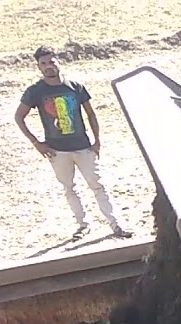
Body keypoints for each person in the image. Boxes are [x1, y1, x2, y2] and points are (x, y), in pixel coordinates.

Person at [14, 46, 130, 239]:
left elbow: (91, 114)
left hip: (83, 146)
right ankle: (82, 225)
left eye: (51, 62)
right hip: (57, 150)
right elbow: (19, 117)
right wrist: (36, 143)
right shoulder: (35, 91)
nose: (48, 67)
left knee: (97, 185)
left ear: (58, 61)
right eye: (43, 64)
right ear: (38, 67)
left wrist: (97, 141)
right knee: (69, 188)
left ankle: (116, 224)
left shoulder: (75, 87)